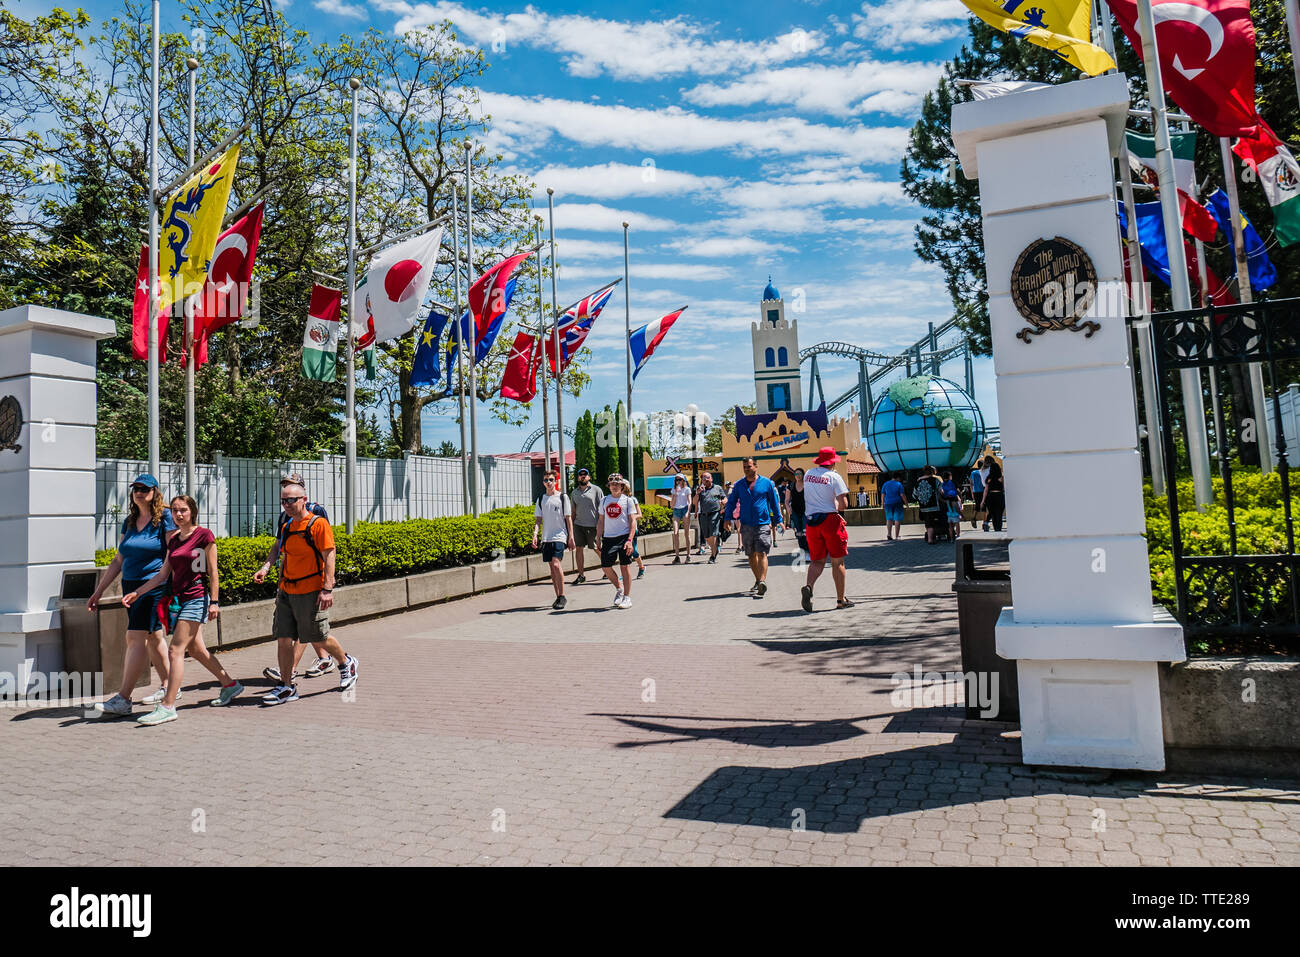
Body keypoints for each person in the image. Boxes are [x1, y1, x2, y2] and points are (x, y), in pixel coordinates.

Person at [121, 494, 244, 724]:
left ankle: (168, 705)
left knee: (175, 650)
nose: (178, 514)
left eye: (183, 510)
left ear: (192, 511)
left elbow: (213, 572)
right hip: (179, 599)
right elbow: (162, 574)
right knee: (196, 650)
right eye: (175, 510)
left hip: (197, 598)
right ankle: (230, 685)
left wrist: (214, 602)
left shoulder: (204, 535)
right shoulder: (175, 540)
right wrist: (138, 592)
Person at [91, 474, 187, 715]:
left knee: (134, 637)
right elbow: (119, 559)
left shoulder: (165, 518)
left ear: (154, 492)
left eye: (144, 489)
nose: (139, 493)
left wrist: (164, 582)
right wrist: (98, 591)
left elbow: (173, 554)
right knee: (153, 636)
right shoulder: (130, 521)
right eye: (136, 489)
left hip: (153, 586)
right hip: (130, 585)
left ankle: (123, 698)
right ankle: (169, 686)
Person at [261, 483, 358, 705]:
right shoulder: (286, 526)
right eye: (283, 501)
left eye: (291, 500)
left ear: (304, 499)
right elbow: (284, 556)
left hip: (311, 591)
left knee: (318, 636)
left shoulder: (317, 523)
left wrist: (327, 589)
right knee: (283, 638)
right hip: (287, 590)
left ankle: (346, 662)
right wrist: (272, 577)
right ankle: (287, 687)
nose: (287, 505)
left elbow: (329, 555)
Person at [255, 473, 334, 683]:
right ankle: (325, 659)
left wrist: (327, 585)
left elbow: (326, 548)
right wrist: (266, 567)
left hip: (311, 580)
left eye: (291, 490)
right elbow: (278, 546)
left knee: (304, 626)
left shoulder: (316, 513)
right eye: (284, 492)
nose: (287, 500)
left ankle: (290, 671)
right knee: (302, 627)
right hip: (289, 578)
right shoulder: (284, 518)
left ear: (302, 493)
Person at [800, 448, 853, 612]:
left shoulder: (808, 474)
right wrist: (835, 505)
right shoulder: (834, 477)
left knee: (817, 561)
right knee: (837, 562)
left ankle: (809, 587)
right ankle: (840, 600)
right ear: (833, 462)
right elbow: (843, 505)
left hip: (812, 522)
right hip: (830, 521)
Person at [724, 457, 784, 598]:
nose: (746, 469)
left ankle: (762, 581)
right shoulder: (739, 485)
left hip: (762, 523)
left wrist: (779, 520)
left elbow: (774, 503)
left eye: (749, 466)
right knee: (751, 554)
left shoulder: (766, 483)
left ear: (756, 467)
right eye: (744, 467)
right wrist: (727, 518)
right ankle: (758, 580)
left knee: (762, 552)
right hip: (746, 524)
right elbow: (731, 502)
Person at [531, 470, 575, 610]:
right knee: (552, 568)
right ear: (543, 483)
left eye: (551, 479)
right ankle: (558, 596)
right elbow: (538, 519)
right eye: (546, 480)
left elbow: (568, 518)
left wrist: (571, 537)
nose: (548, 482)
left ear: (555, 481)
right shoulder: (541, 499)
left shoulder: (562, 497)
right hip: (546, 538)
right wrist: (535, 534)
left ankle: (562, 596)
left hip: (560, 536)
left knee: (556, 564)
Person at [596, 473, 637, 608]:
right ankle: (619, 588)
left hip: (624, 537)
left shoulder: (628, 501)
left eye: (617, 484)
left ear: (622, 486)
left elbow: (632, 521)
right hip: (609, 538)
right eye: (612, 484)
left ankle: (627, 597)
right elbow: (601, 520)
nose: (614, 486)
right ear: (609, 486)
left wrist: (630, 540)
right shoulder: (604, 501)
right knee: (606, 567)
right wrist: (598, 537)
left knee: (625, 566)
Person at [569, 469, 603, 584]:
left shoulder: (596, 490)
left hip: (593, 525)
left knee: (596, 548)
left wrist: (601, 525)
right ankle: (581, 575)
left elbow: (602, 508)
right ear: (578, 477)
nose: (583, 476)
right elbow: (573, 511)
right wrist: (570, 528)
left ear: (589, 477)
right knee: (578, 549)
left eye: (585, 475)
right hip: (578, 525)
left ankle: (607, 568)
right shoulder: (574, 492)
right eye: (580, 475)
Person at [694, 471, 726, 563]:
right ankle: (715, 548)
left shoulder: (718, 488)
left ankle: (713, 556)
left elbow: (724, 498)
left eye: (708, 477)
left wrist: (723, 501)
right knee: (707, 537)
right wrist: (697, 493)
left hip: (715, 514)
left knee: (713, 534)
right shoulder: (700, 490)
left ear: (711, 479)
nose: (706, 479)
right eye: (704, 478)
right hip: (704, 515)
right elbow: (694, 502)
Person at [913, 465, 944, 545]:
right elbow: (941, 491)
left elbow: (914, 495)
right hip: (934, 505)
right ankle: (931, 539)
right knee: (933, 522)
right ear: (932, 472)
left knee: (928, 522)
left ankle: (930, 537)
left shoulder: (918, 481)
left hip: (923, 506)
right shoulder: (935, 480)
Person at [669, 474, 692, 564]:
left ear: (683, 480)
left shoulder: (687, 489)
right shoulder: (674, 490)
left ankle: (688, 555)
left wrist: (688, 512)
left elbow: (689, 502)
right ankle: (677, 556)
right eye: (676, 480)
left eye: (680, 479)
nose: (678, 481)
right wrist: (675, 494)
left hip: (685, 509)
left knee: (687, 533)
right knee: (675, 533)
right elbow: (672, 505)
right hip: (676, 510)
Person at [880, 472, 907, 541]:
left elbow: (883, 495)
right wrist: (906, 504)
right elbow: (902, 495)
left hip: (888, 503)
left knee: (889, 519)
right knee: (897, 519)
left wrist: (882, 504)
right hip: (897, 503)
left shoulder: (885, 484)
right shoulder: (899, 484)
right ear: (898, 477)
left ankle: (889, 534)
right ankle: (897, 536)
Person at [981, 459, 1006, 532]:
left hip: (990, 497)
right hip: (999, 496)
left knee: (993, 514)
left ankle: (995, 529)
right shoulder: (1001, 478)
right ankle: (999, 528)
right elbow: (1004, 488)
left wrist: (983, 501)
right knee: (999, 514)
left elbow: (986, 490)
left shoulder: (989, 479)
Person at [786, 468, 808, 554]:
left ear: (803, 475)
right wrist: (788, 507)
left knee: (805, 532)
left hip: (806, 511)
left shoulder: (807, 485)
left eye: (799, 474)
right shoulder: (791, 486)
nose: (798, 476)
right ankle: (803, 550)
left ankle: (808, 551)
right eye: (796, 474)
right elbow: (787, 500)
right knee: (798, 533)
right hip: (795, 511)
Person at [969, 458, 985, 529]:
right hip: (983, 491)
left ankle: (973, 518)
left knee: (977, 506)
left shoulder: (973, 473)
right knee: (984, 507)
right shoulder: (983, 472)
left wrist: (972, 492)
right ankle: (984, 523)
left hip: (975, 491)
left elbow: (971, 483)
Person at [979, 458, 992, 531]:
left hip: (984, 489)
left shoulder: (981, 470)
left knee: (987, 508)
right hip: (991, 488)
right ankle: (986, 522)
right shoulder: (990, 469)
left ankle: (985, 522)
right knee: (992, 508)